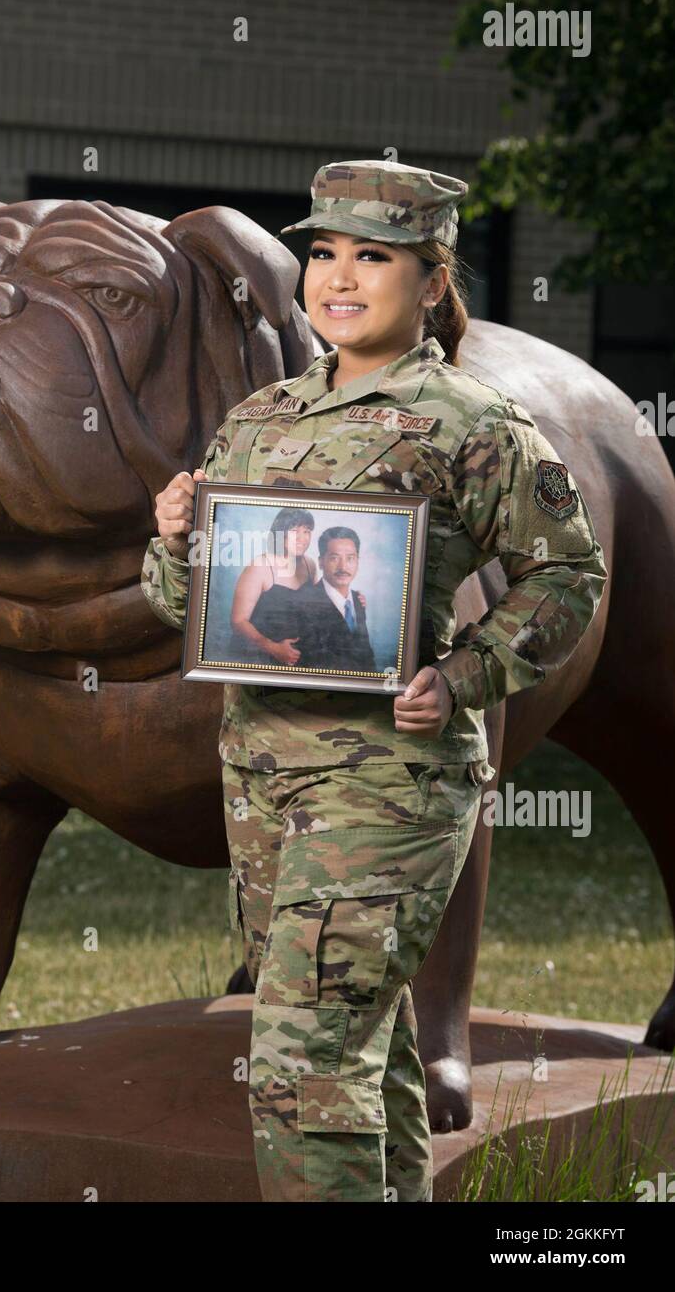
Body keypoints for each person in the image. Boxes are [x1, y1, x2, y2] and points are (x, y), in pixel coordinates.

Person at [140, 158, 608, 1203]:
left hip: (391, 782)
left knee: (303, 1057)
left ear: (431, 278)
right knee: (364, 1041)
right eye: (321, 251)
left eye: (371, 256)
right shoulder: (260, 419)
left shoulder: (470, 421)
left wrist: (465, 674)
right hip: (262, 777)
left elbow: (569, 572)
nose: (337, 276)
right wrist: (176, 539)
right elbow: (186, 602)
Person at [228, 508, 316, 666]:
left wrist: (351, 599)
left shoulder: (310, 565)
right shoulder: (260, 566)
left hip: (298, 655)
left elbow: (318, 603)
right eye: (294, 531)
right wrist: (274, 648)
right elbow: (238, 622)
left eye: (307, 531)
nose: (302, 538)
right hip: (259, 657)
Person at [296, 525, 377, 672]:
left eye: (350, 558)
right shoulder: (304, 603)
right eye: (334, 558)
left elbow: (366, 654)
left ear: (358, 561)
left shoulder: (357, 600)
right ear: (321, 562)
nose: (343, 567)